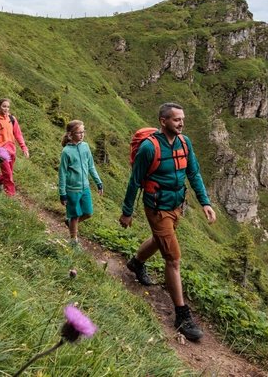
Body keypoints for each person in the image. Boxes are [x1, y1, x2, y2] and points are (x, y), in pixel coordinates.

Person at [119, 102, 216, 342]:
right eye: (176, 119)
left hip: (176, 205)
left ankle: (135, 263)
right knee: (173, 259)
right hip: (157, 207)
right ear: (163, 121)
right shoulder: (149, 149)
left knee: (161, 239)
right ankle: (182, 315)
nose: (181, 123)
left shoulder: (185, 143)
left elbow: (193, 172)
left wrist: (205, 202)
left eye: (182, 119)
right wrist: (127, 211)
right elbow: (135, 181)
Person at [58, 120, 103, 246]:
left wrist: (98, 182)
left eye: (83, 132)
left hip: (85, 187)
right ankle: (73, 241)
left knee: (88, 213)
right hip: (72, 189)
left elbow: (91, 166)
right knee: (75, 215)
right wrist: (62, 193)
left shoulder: (86, 146)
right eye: (79, 132)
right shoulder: (66, 152)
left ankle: (71, 223)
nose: (82, 135)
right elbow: (62, 173)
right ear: (70, 134)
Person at [0, 98, 29, 196]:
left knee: (8, 173)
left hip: (12, 151)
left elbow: (18, 134)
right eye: (4, 106)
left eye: (8, 107)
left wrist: (24, 147)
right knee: (8, 175)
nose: (6, 109)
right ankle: (10, 196)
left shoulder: (12, 119)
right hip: (1, 152)